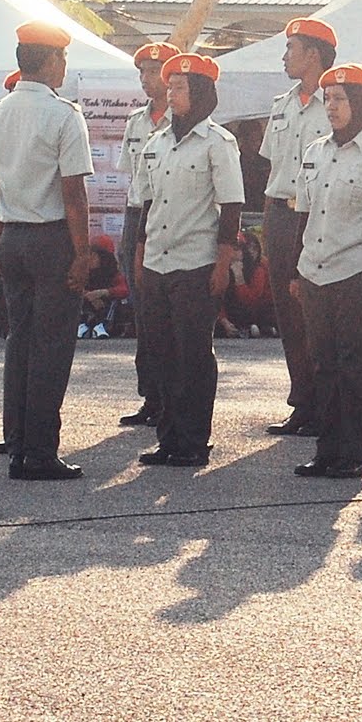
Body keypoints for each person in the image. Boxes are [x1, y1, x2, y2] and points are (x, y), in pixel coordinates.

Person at [0, 21, 94, 481]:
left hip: (12, 235)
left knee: (19, 342)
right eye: (62, 59)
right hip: (50, 238)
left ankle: (17, 442)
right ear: (51, 61)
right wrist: (83, 253)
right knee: (50, 347)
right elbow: (74, 195)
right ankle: (40, 451)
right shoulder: (64, 115)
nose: (64, 67)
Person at [290, 64, 362, 480]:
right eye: (328, 100)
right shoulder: (315, 152)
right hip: (314, 270)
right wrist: (294, 271)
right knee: (322, 363)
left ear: (360, 104)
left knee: (355, 363)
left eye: (340, 100)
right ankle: (327, 448)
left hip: (356, 270)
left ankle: (354, 452)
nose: (332, 108)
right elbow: (303, 215)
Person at [133, 52, 244, 469]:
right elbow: (148, 201)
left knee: (193, 354)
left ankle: (195, 440)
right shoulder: (156, 141)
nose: (172, 93)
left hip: (196, 261)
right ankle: (168, 438)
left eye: (180, 87)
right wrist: (141, 249)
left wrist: (222, 263)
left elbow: (231, 206)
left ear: (199, 93)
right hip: (158, 260)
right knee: (161, 352)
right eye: (171, 86)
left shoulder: (218, 142)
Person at [258, 18, 338, 436]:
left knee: (319, 313)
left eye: (291, 48)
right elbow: (273, 167)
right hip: (283, 213)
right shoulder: (281, 104)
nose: (284, 56)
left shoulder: (339, 101)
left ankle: (328, 403)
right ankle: (302, 400)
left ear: (314, 54)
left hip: (321, 217)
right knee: (288, 313)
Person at [117, 41, 182, 426]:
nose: (146, 78)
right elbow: (132, 179)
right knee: (144, 310)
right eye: (141, 71)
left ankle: (175, 397)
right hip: (137, 214)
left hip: (173, 217)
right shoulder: (135, 122)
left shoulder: (185, 116)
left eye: (153, 70)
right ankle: (151, 396)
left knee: (173, 314)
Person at [225, 233, 276, 338]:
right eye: (233, 249)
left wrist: (239, 278)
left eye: (239, 249)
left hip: (257, 308)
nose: (252, 252)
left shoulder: (258, 268)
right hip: (227, 312)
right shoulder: (220, 267)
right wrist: (223, 321)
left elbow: (251, 300)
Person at [77, 234, 128, 338]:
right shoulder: (83, 272)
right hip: (85, 310)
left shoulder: (113, 274)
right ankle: (81, 325)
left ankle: (102, 326)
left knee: (116, 301)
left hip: (104, 311)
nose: (90, 258)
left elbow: (124, 290)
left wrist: (103, 292)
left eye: (94, 255)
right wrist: (89, 296)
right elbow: (70, 287)